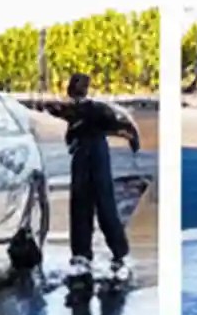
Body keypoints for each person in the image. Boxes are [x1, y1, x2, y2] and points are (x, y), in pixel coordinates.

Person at [43, 72, 140, 283]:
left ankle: (102, 254)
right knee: (92, 205)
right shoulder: (93, 109)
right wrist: (131, 139)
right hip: (89, 156)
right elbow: (124, 128)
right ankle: (104, 253)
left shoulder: (89, 110)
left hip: (91, 156)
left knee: (94, 206)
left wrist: (131, 137)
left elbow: (121, 127)